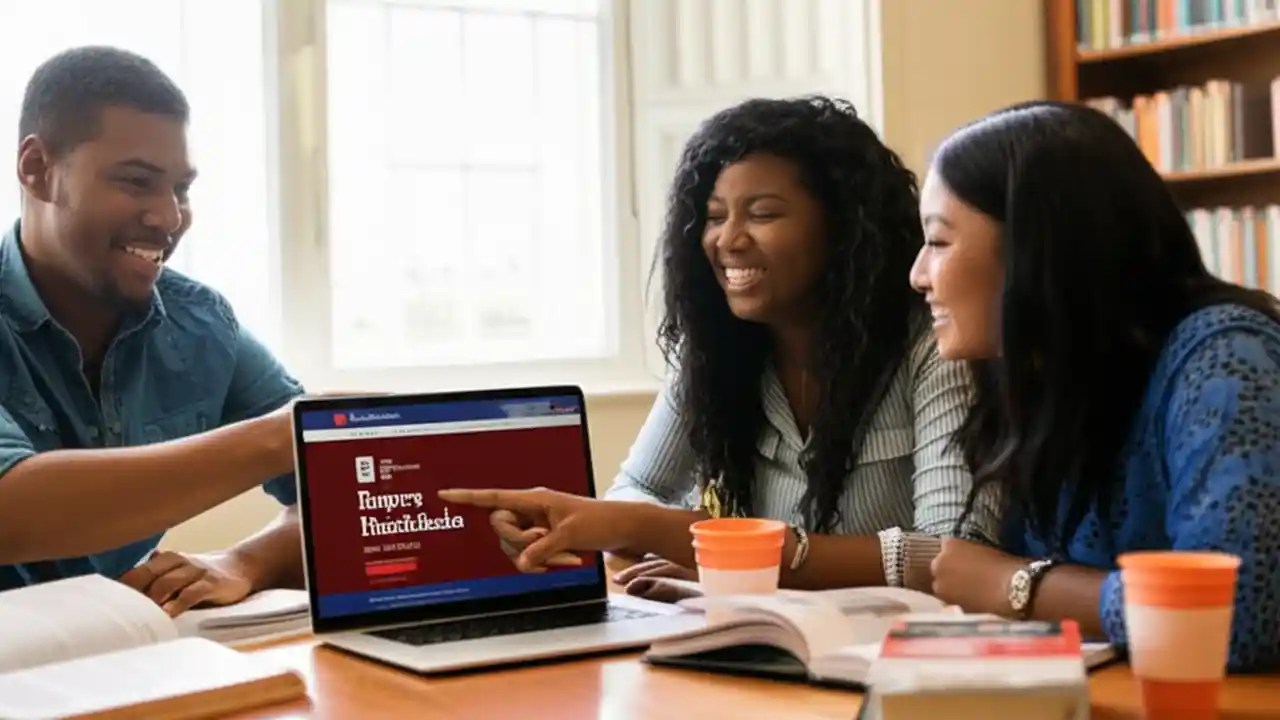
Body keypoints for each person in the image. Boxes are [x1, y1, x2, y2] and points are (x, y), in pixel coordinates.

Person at [441, 96, 998, 597]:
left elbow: (951, 554)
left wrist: (706, 550)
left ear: (845, 229)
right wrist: (697, 553)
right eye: (712, 217)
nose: (728, 240)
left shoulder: (932, 344)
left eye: (763, 214)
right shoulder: (716, 350)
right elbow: (637, 489)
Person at [912, 100, 1280, 671]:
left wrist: (1019, 585)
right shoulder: (1039, 369)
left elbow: (1237, 614)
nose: (918, 275)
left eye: (937, 243)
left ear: (1036, 248)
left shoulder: (1225, 357)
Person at [0, 46, 303, 615]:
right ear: (37, 169)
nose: (168, 217)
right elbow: (10, 509)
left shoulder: (202, 325)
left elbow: (344, 497)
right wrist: (277, 437)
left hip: (121, 664)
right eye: (137, 183)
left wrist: (245, 561)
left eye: (181, 189)